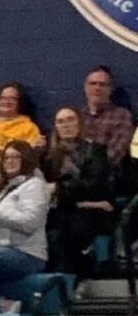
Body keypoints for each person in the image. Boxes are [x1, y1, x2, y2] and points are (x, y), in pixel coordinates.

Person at [0, 141, 50, 314]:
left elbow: (29, 223)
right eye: (6, 157)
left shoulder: (34, 185)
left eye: (15, 157)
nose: (9, 161)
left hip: (26, 253)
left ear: (26, 159)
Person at [43, 105, 115, 277]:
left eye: (70, 120)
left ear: (80, 123)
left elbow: (94, 184)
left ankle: (71, 280)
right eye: (61, 121)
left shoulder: (96, 150)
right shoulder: (47, 155)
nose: (66, 125)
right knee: (51, 229)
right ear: (56, 127)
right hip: (59, 210)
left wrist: (58, 189)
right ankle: (62, 281)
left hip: (92, 211)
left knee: (67, 229)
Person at [80, 65, 133, 164]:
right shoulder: (78, 117)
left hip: (105, 175)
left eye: (102, 84)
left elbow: (115, 155)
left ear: (110, 89)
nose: (97, 88)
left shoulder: (121, 116)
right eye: (92, 83)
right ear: (85, 87)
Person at [0, 82, 42, 155]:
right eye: (3, 97)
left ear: (19, 103)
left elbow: (30, 155)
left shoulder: (30, 128)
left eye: (12, 98)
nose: (7, 102)